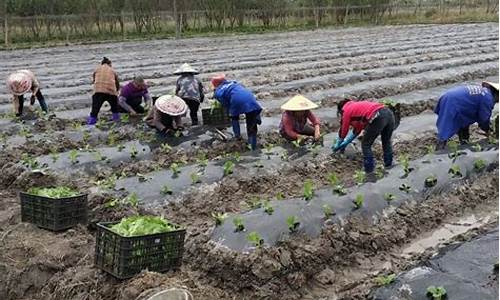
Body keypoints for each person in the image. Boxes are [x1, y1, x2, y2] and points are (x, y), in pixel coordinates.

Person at [333, 99, 395, 180]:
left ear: (341, 109)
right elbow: (358, 129)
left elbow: (344, 129)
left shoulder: (346, 110)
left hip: (378, 116)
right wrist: (347, 141)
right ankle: (389, 165)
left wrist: (340, 141)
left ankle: (369, 171)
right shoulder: (356, 107)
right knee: (386, 142)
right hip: (389, 113)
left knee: (366, 144)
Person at [434, 81, 499, 149]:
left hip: (452, 99)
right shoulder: (488, 98)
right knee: (446, 130)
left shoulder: (485, 93)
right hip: (452, 102)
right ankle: (438, 153)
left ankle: (464, 144)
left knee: (463, 124)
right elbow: (484, 118)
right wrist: (488, 131)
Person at [211, 74, 262, 150]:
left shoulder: (218, 92)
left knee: (234, 118)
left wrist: (230, 114)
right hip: (250, 97)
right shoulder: (233, 83)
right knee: (252, 124)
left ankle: (238, 137)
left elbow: (226, 105)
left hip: (236, 101)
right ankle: (253, 146)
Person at [87, 57, 120, 125]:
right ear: (109, 64)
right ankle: (116, 122)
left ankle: (91, 124)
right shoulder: (112, 70)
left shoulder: (97, 69)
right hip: (111, 91)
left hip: (98, 91)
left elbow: (94, 80)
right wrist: (117, 91)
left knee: (95, 110)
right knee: (115, 109)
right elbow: (117, 82)